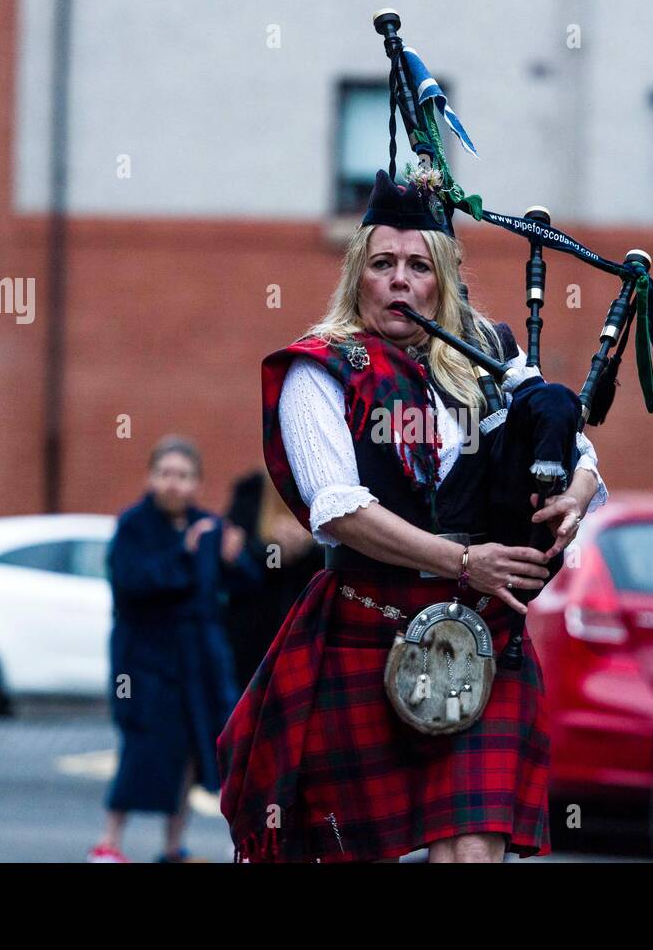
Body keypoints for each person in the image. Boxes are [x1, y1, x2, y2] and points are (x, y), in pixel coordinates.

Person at [216, 169, 608, 863]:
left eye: (418, 266)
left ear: (443, 282)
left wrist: (574, 495)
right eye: (383, 264)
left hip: (480, 641)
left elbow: (572, 448)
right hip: (366, 629)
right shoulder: (322, 370)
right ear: (358, 278)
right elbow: (339, 510)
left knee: (471, 849)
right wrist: (463, 560)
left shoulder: (488, 360)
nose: (400, 281)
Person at [88, 435, 262, 863]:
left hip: (198, 662)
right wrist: (183, 555)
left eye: (183, 476)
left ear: (198, 482)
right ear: (150, 477)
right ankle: (109, 843)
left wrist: (233, 558)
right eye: (165, 474)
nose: (173, 484)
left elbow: (244, 587)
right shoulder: (133, 526)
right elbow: (134, 583)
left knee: (191, 752)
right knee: (141, 750)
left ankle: (173, 847)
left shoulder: (207, 527)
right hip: (144, 664)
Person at [223, 470, 324, 690]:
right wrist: (276, 550)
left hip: (309, 630)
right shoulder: (250, 491)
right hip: (253, 635)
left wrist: (306, 547)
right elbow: (237, 557)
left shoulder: (326, 490)